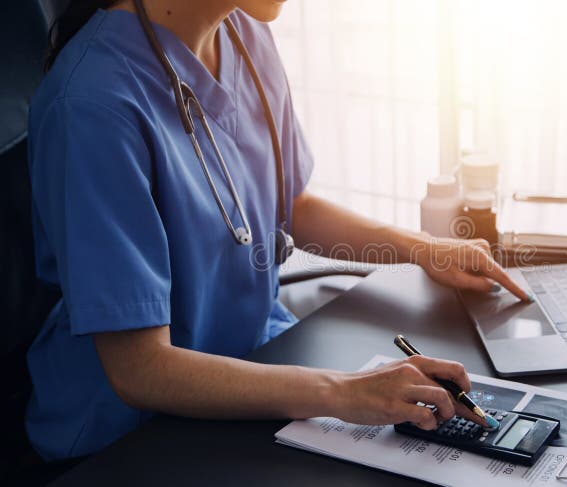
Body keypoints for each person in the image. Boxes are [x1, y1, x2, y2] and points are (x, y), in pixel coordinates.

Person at [26, 0, 531, 461]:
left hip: (263, 360)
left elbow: (290, 205)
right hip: (133, 431)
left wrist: (424, 250)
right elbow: (139, 370)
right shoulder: (91, 106)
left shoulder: (243, 30)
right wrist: (345, 392)